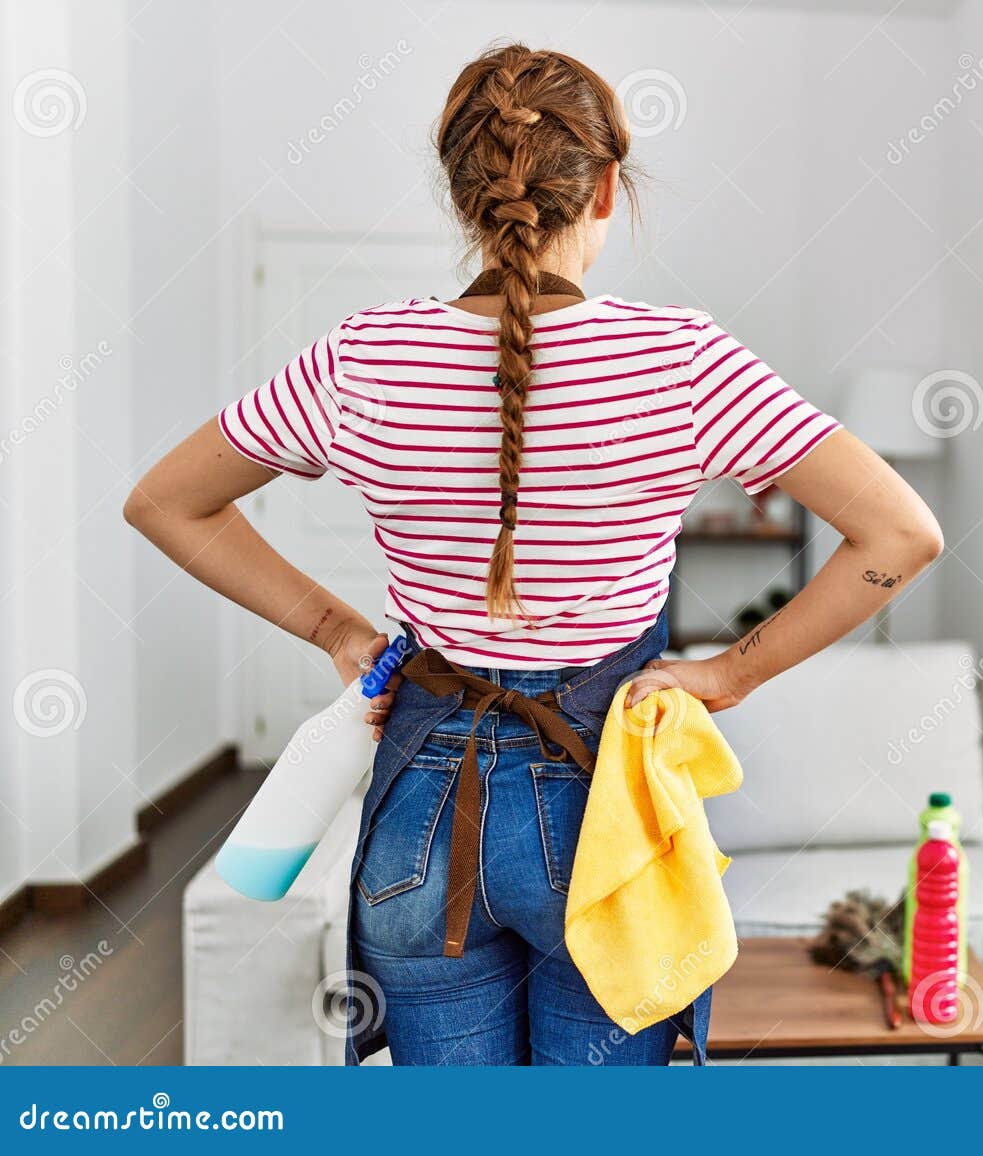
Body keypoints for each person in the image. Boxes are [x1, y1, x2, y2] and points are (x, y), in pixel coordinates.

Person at [124, 42, 941, 1066]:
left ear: (461, 190)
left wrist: (337, 629)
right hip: (601, 816)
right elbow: (901, 535)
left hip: (417, 824)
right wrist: (729, 674)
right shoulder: (682, 359)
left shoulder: (361, 356)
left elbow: (165, 502)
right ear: (607, 185)